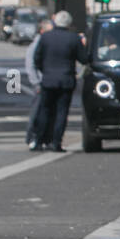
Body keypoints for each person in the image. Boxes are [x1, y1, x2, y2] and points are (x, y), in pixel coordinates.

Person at [31, 10, 88, 152]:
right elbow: (84, 59)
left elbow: (36, 58)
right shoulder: (73, 38)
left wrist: (45, 71)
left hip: (49, 79)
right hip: (66, 80)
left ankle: (39, 140)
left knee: (44, 111)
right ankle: (56, 142)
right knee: (61, 113)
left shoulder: (46, 37)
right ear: (69, 23)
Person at [24, 18, 54, 146]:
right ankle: (32, 137)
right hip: (41, 83)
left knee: (49, 113)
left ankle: (46, 138)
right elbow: (30, 65)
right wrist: (36, 83)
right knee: (37, 113)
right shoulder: (36, 45)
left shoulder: (48, 43)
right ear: (42, 31)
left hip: (49, 83)